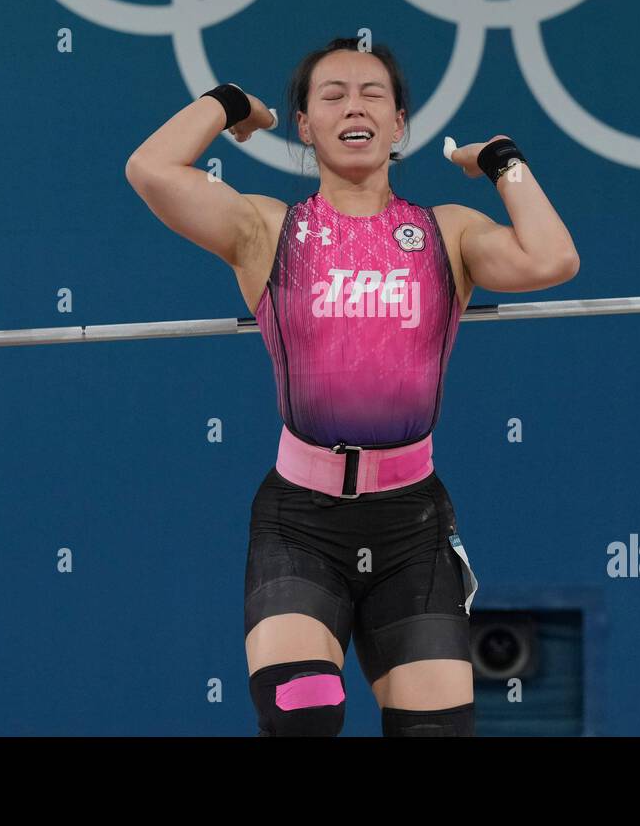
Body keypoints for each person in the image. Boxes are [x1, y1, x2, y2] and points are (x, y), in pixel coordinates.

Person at [124, 37, 579, 735]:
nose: (354, 107)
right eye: (331, 96)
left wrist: (500, 161)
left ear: (401, 124)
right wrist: (228, 105)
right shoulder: (265, 228)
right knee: (302, 717)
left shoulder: (446, 233)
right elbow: (151, 169)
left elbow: (552, 258)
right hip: (300, 524)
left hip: (413, 526)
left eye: (373, 95)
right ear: (304, 126)